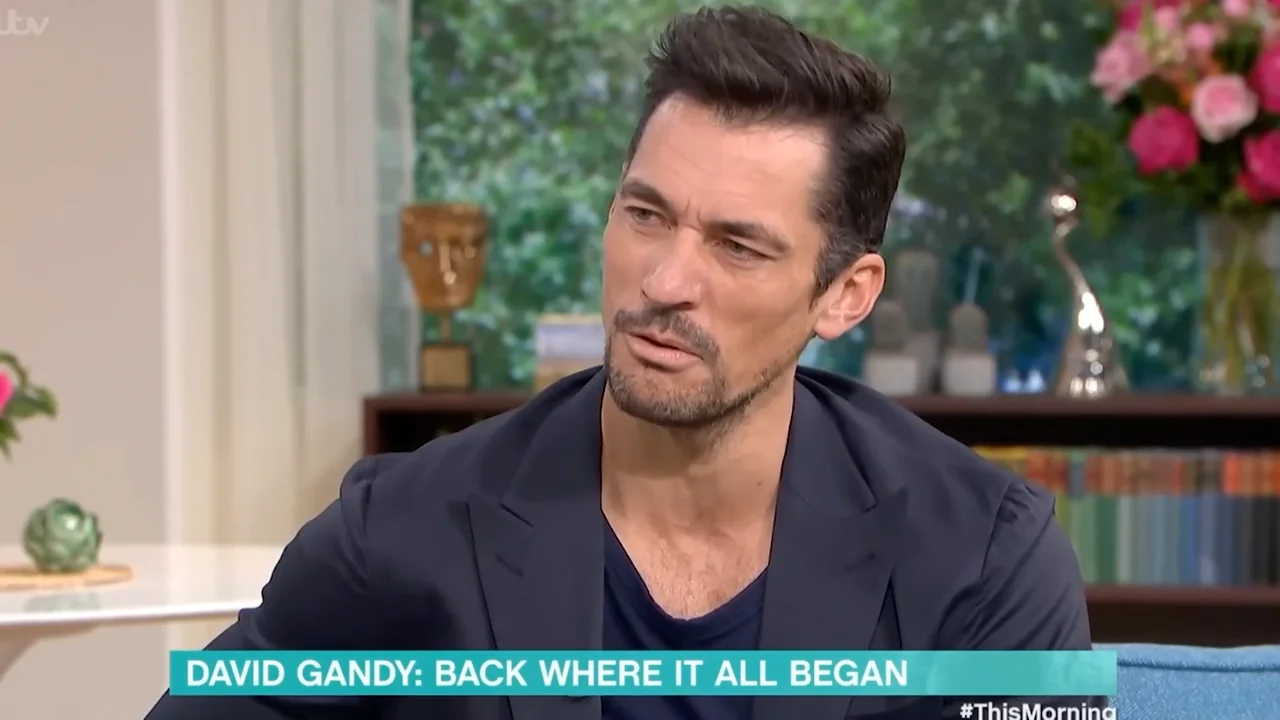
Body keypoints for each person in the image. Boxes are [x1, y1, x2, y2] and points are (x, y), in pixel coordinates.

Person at [146, 6, 1102, 720]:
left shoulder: (984, 557)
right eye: (646, 215)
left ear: (844, 295)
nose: (665, 280)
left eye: (738, 245)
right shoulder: (402, 530)